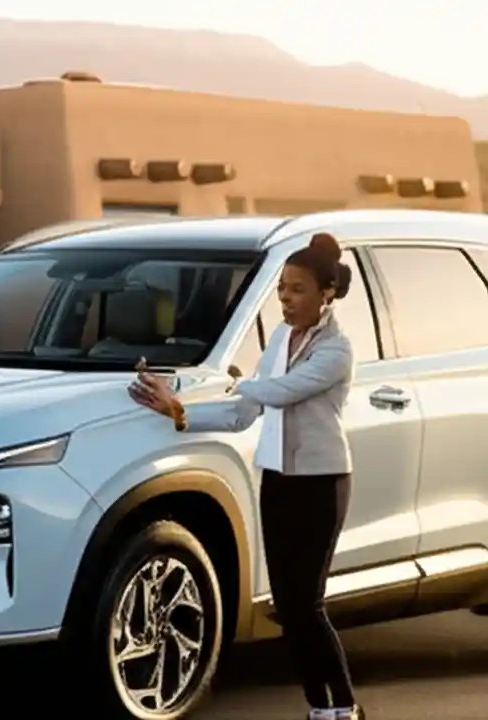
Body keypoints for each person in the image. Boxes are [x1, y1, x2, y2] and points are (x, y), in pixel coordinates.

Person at [128, 232, 363, 720]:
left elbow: (282, 392)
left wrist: (240, 380)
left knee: (308, 603)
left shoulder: (338, 349)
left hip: (322, 482)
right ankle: (321, 708)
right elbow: (244, 412)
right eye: (281, 290)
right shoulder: (279, 339)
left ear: (326, 293)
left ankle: (342, 707)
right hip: (277, 479)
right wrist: (180, 412)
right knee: (286, 604)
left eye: (297, 289)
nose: (286, 299)